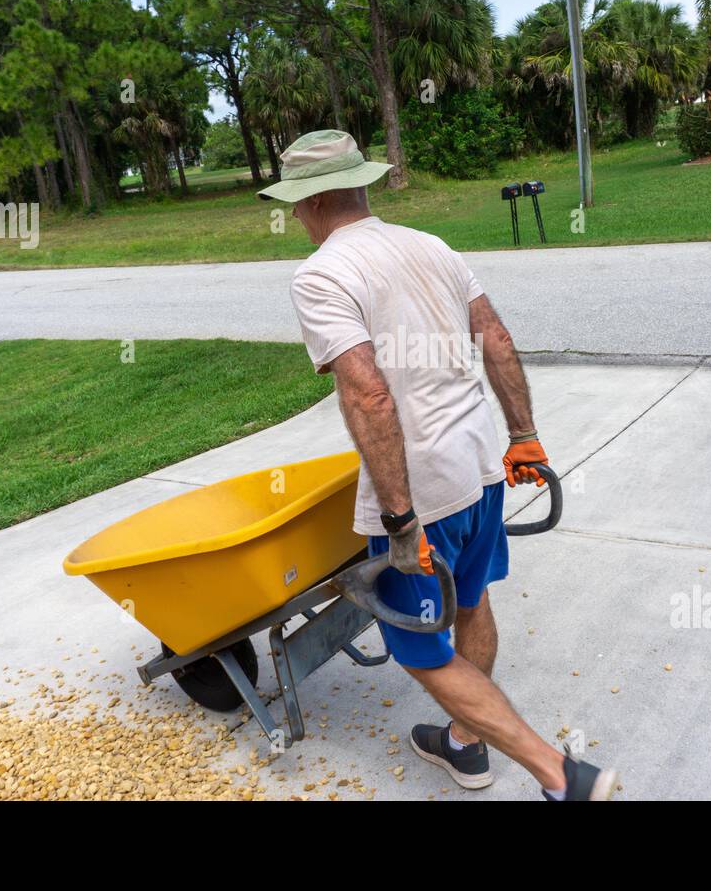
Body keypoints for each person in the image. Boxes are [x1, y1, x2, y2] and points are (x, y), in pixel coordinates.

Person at [261, 130, 617, 801]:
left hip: (421, 491)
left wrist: (399, 519)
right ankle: (464, 743)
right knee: (472, 602)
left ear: (306, 203)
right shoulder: (433, 246)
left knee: (419, 649)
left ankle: (558, 773)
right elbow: (498, 339)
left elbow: (366, 390)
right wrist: (525, 437)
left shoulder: (320, 274)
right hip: (481, 466)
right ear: (361, 185)